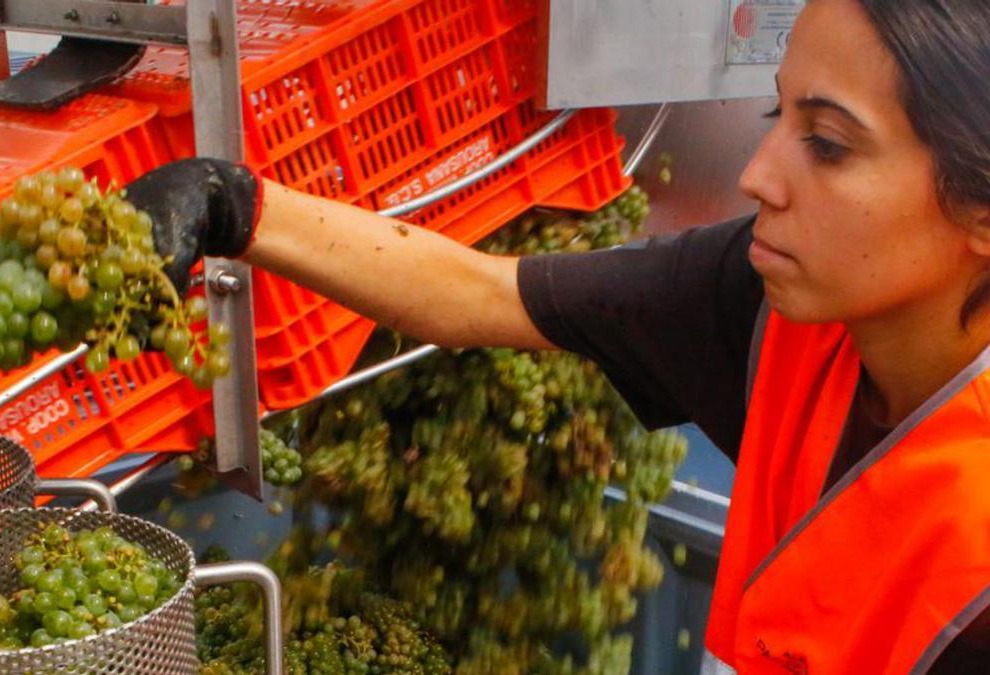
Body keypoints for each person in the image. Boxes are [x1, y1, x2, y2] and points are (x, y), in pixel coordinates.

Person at [127, 0, 990, 671]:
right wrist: (230, 204)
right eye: (777, 120)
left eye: (829, 145)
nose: (756, 177)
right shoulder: (778, 300)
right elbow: (476, 293)